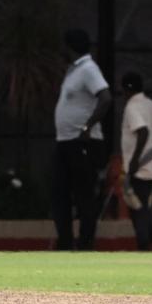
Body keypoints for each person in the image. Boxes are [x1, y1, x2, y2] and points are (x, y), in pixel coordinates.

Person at [52, 29, 112, 251]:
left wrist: (88, 126)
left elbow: (105, 97)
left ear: (70, 47)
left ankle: (85, 243)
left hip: (82, 142)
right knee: (60, 192)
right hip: (66, 141)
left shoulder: (88, 68)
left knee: (84, 193)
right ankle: (65, 241)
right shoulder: (74, 70)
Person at [118, 72, 152, 251]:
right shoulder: (150, 104)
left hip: (139, 167)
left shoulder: (132, 107)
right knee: (142, 206)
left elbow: (143, 131)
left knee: (138, 208)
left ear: (126, 90)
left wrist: (133, 161)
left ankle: (145, 244)